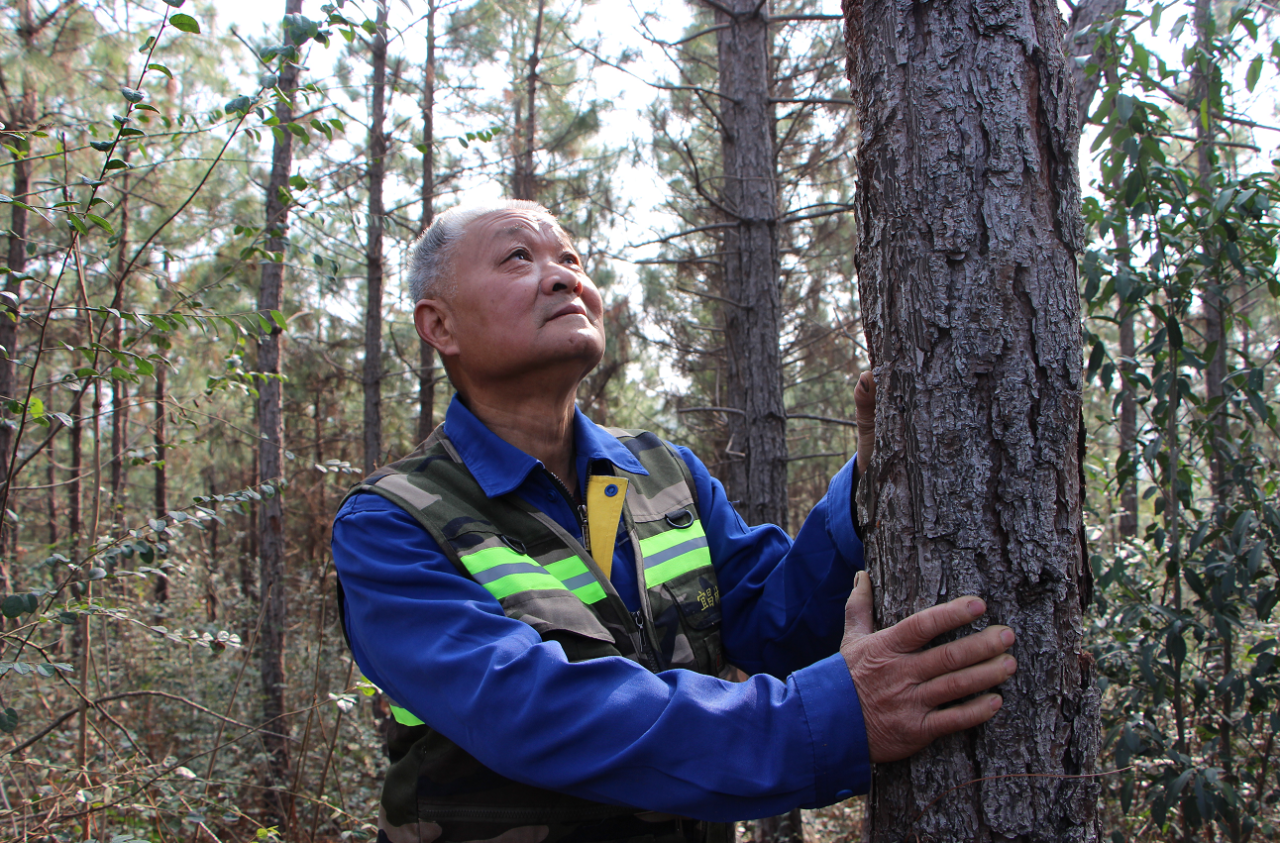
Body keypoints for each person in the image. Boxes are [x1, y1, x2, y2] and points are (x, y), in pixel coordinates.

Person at [331, 200, 1017, 843]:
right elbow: (534, 713)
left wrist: (874, 485)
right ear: (439, 325)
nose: (564, 279)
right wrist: (830, 718)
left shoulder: (663, 472)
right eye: (517, 257)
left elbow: (778, 626)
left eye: (570, 259)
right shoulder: (390, 523)